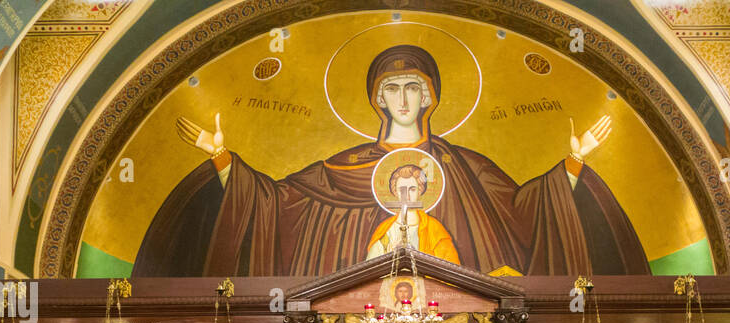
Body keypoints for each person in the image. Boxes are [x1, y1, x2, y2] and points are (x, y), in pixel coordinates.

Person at [136, 44, 648, 277]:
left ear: (431, 97)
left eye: (413, 88)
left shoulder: (466, 167)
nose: (403, 97)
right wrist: (224, 157)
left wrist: (571, 166)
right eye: (391, 89)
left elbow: (520, 208)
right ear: (377, 100)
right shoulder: (346, 165)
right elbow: (278, 201)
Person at [365, 160, 460, 262]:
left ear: (420, 191)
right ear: (395, 192)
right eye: (402, 189)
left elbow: (450, 267)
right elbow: (370, 269)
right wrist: (388, 257)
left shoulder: (434, 228)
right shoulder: (385, 230)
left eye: (413, 189)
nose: (407, 195)